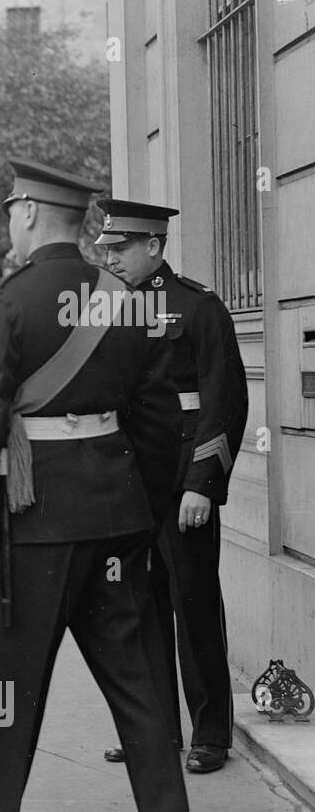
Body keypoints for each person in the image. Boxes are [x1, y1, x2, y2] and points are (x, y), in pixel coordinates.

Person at [0, 158, 201, 812]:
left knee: (7, 692)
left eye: (12, 209)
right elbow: (162, 420)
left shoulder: (7, 303)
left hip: (33, 527)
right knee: (140, 689)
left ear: (34, 213)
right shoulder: (126, 300)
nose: (9, 221)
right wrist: (142, 513)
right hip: (115, 522)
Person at [95, 198, 248, 775]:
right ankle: (154, 731)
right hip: (130, 480)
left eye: (121, 247)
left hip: (183, 477)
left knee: (193, 602)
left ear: (154, 246)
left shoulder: (197, 306)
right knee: (139, 608)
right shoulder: (105, 310)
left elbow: (226, 401)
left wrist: (203, 483)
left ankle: (211, 734)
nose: (110, 257)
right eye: (106, 248)